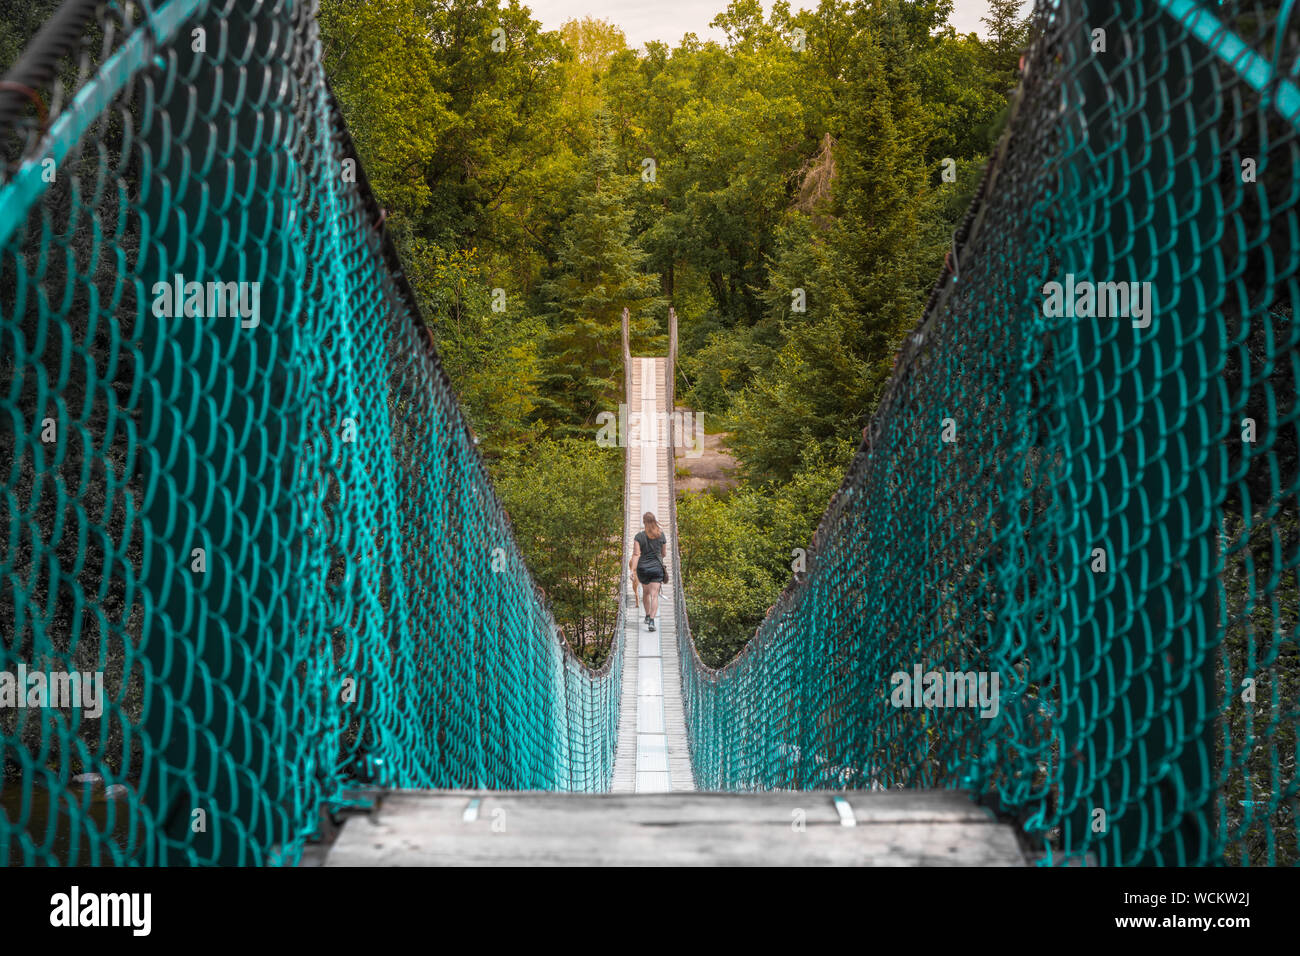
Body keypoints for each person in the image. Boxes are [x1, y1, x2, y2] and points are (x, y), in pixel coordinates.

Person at [630, 511, 667, 631]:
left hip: (643, 569)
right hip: (656, 568)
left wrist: (632, 570)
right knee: (654, 595)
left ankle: (646, 616)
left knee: (645, 593)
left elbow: (636, 554)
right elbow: (664, 554)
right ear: (654, 521)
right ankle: (652, 621)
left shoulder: (639, 536)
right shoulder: (661, 535)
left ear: (644, 522)